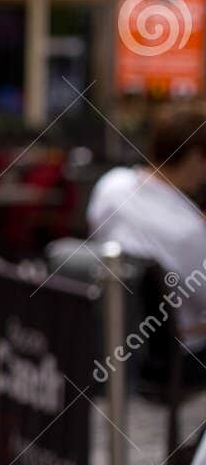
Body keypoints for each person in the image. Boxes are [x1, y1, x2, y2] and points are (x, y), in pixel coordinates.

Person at [87, 104, 206, 353]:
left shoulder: (109, 187)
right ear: (196, 158)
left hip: (113, 340)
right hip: (181, 357)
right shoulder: (189, 231)